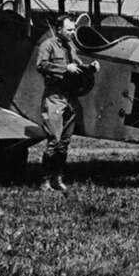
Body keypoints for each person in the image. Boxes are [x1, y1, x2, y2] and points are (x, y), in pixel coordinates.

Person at [34, 14, 97, 192]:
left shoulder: (70, 46)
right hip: (55, 97)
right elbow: (41, 66)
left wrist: (89, 67)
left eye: (73, 29)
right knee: (54, 140)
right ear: (58, 29)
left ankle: (58, 179)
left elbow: (77, 65)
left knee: (64, 143)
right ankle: (45, 181)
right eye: (69, 30)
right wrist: (64, 68)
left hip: (70, 98)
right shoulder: (48, 45)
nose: (72, 33)